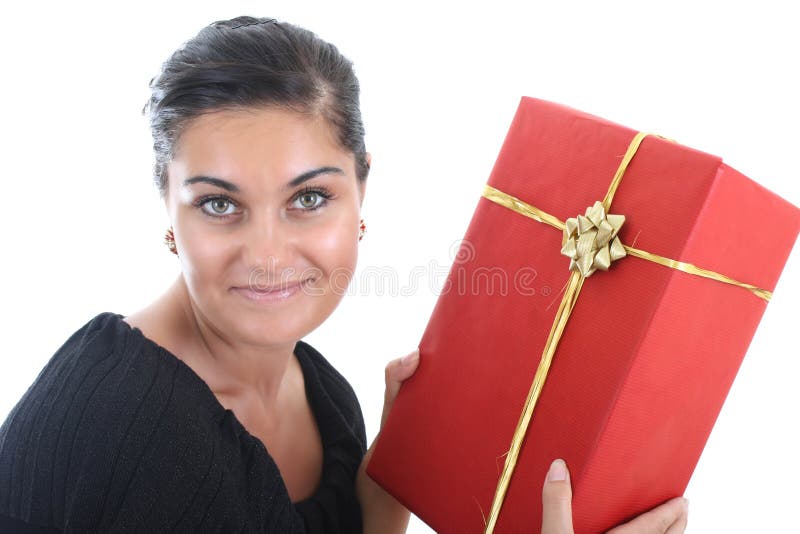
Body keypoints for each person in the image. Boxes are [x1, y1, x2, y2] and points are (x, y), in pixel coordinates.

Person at [0, 15, 688, 533]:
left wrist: (387, 486)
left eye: (308, 199)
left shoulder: (327, 399)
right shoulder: (131, 429)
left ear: (361, 195)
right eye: (218, 203)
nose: (267, 253)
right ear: (167, 211)